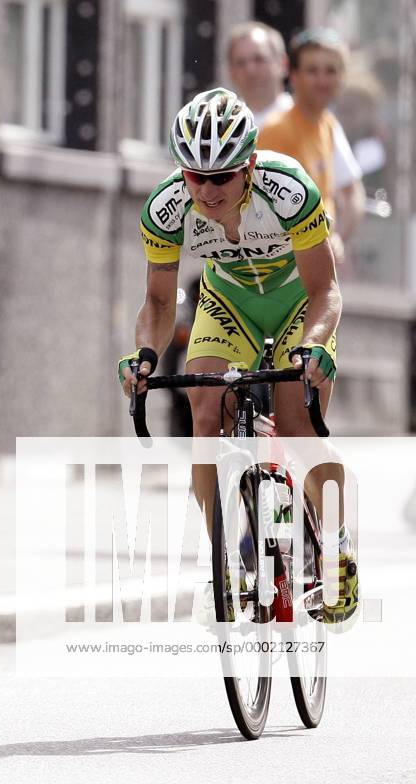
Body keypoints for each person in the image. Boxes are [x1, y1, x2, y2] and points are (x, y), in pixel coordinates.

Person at [119, 88, 358, 627]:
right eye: (194, 175)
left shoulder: (290, 188)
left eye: (222, 176)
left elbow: (326, 290)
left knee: (298, 423)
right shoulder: (165, 208)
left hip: (299, 300)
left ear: (248, 165)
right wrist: (144, 356)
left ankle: (337, 539)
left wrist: (316, 344)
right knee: (206, 411)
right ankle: (223, 565)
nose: (206, 190)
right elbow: (158, 302)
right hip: (229, 303)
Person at [228, 23, 364, 262]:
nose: (322, 80)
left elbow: (352, 191)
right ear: (295, 75)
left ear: (282, 65)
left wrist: (337, 238)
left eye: (259, 59)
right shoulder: (266, 130)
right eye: (312, 71)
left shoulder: (326, 123)